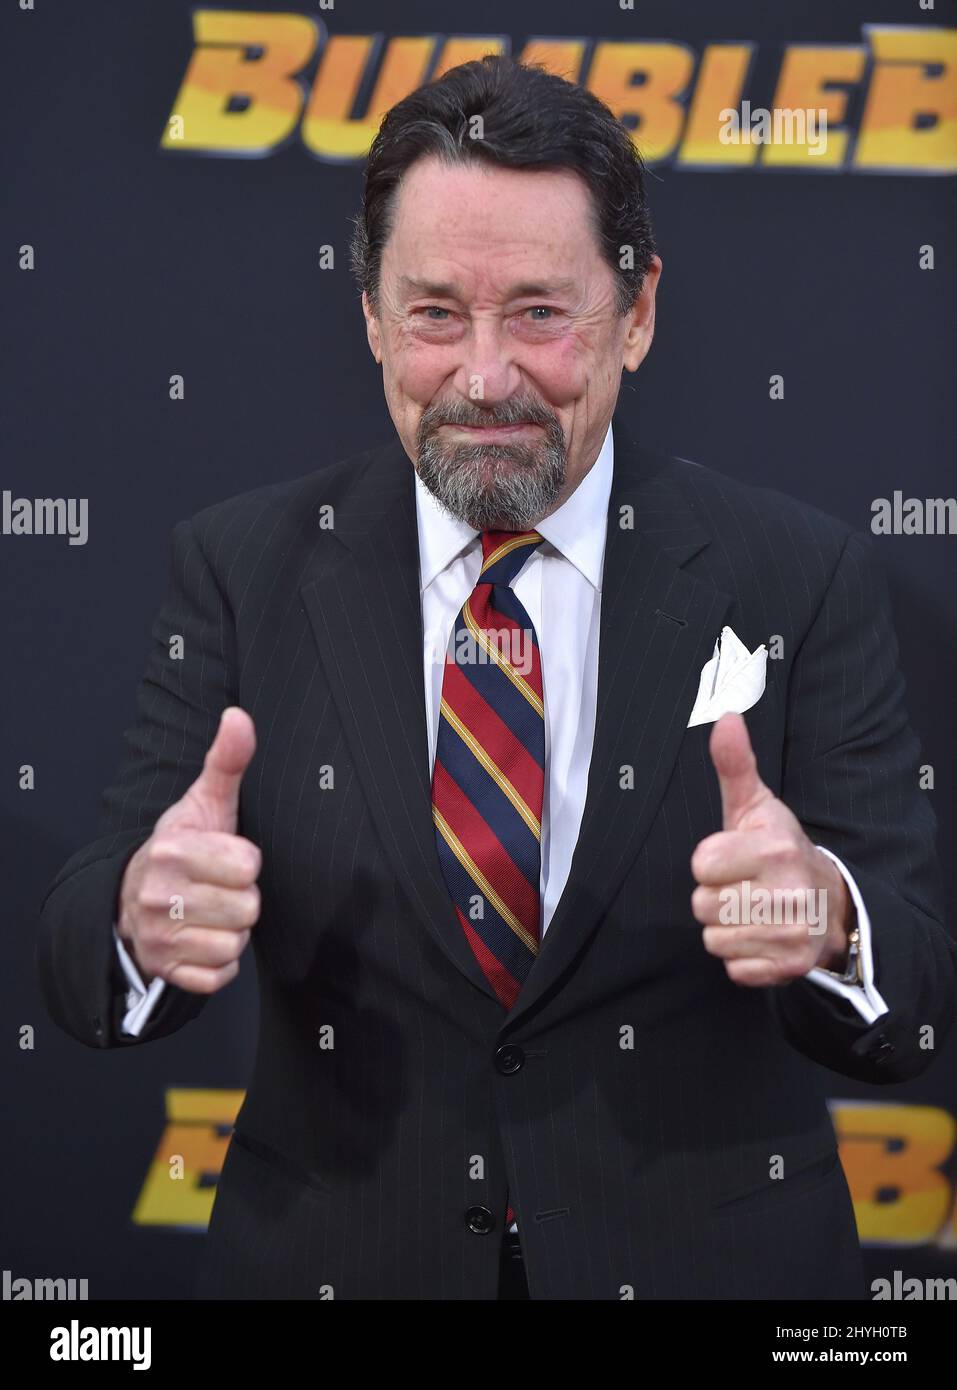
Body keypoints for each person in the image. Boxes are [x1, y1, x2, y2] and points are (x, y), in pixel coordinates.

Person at [37, 55, 956, 1300]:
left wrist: (829, 916)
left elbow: (916, 1006)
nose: (483, 376)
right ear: (368, 316)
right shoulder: (242, 567)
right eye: (433, 315)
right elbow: (84, 960)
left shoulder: (794, 574)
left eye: (539, 313)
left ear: (635, 314)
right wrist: (142, 922)